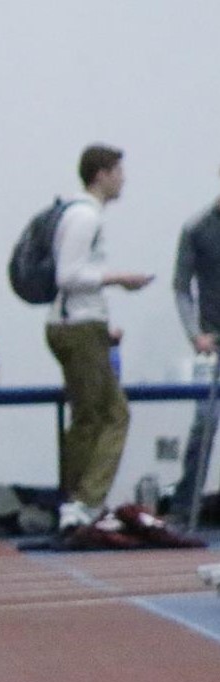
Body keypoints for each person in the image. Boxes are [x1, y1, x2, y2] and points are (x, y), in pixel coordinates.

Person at [48, 144, 154, 529]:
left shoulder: (78, 215)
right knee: (110, 414)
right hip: (78, 326)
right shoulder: (84, 217)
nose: (124, 178)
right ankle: (83, 502)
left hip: (82, 325)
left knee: (90, 417)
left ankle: (74, 500)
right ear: (102, 174)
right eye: (119, 171)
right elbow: (68, 276)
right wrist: (120, 278)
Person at [169, 175, 220, 520]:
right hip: (214, 339)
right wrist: (194, 334)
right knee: (204, 423)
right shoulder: (197, 227)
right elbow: (181, 286)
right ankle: (185, 507)